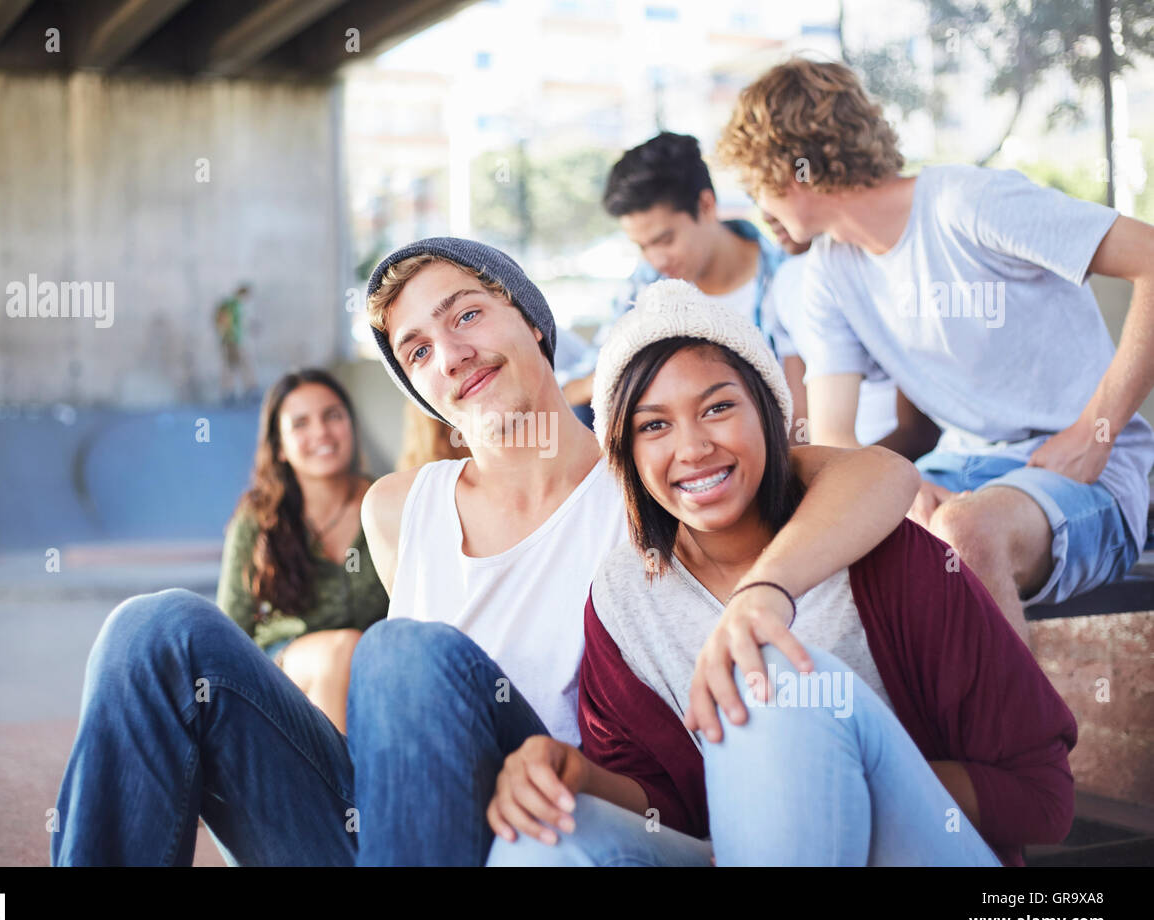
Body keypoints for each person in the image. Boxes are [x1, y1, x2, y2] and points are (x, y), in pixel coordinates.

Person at [50, 237, 920, 866]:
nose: (451, 353)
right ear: (418, 389)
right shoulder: (397, 509)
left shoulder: (649, 478)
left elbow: (879, 476)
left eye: (467, 312)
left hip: (545, 823)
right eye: (418, 349)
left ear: (534, 325)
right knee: (154, 630)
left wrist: (765, 591)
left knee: (402, 652)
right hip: (384, 832)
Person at [484, 280, 1077, 867]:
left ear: (768, 414)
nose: (692, 449)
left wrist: (831, 789)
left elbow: (1042, 796)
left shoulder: (890, 555)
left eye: (718, 407)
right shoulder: (622, 598)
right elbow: (673, 808)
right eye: (654, 426)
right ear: (626, 454)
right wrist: (578, 776)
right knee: (547, 838)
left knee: (771, 679)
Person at [717, 57, 1154, 639]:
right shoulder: (826, 274)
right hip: (962, 467)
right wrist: (903, 492)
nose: (757, 208)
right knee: (808, 544)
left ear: (795, 168)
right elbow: (835, 442)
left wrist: (1091, 433)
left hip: (1093, 471)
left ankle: (1026, 733)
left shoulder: (967, 203)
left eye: (755, 184)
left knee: (966, 532)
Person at [216, 369, 388, 732]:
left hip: (375, 664)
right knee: (341, 650)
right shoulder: (258, 520)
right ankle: (335, 788)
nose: (321, 432)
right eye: (300, 423)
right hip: (284, 664)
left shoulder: (389, 501)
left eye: (332, 416)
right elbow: (230, 631)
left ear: (352, 426)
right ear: (279, 446)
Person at [561, 132, 786, 411]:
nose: (656, 259)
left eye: (664, 240)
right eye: (642, 246)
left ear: (706, 206)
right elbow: (574, 387)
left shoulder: (785, 277)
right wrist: (619, 371)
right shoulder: (645, 283)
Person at [761, 211, 940, 459]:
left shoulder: (884, 264)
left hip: (901, 464)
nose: (766, 214)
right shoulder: (785, 281)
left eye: (775, 188)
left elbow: (918, 432)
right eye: (753, 197)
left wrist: (849, 476)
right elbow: (801, 421)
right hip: (841, 463)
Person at [215, 284, 257, 402]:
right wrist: (229, 336)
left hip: (233, 340)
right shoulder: (233, 304)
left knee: (235, 366)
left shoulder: (234, 304)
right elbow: (226, 321)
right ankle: (237, 391)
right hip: (232, 341)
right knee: (238, 365)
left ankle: (233, 391)